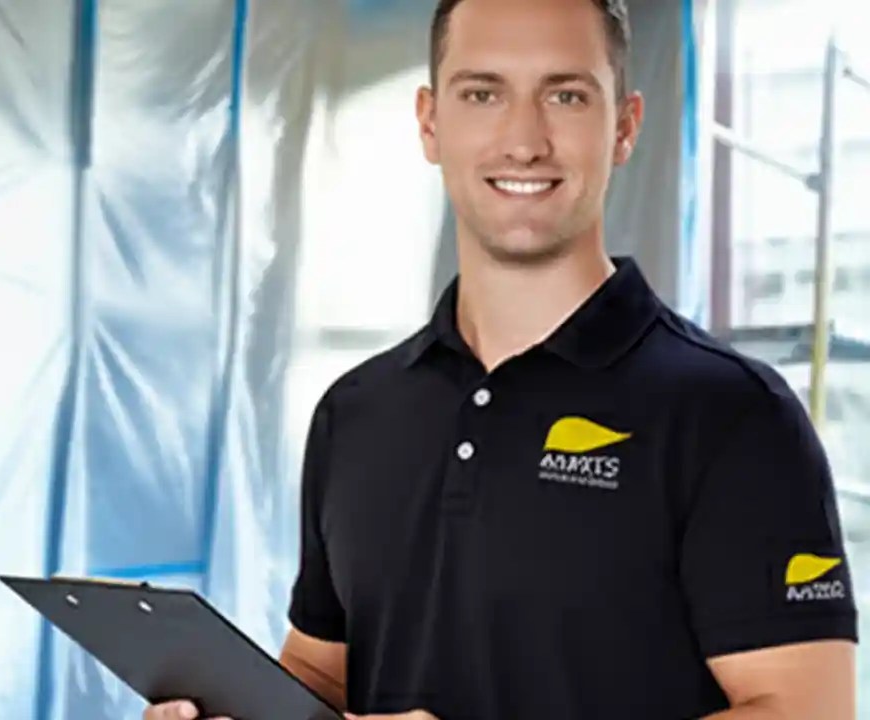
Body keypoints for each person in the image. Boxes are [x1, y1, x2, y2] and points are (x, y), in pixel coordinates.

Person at [146, 0, 858, 717]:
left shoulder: (733, 414)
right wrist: (238, 709)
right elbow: (324, 672)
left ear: (625, 127)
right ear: (429, 122)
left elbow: (804, 710)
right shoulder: (356, 411)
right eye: (483, 94)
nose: (524, 141)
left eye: (566, 96)